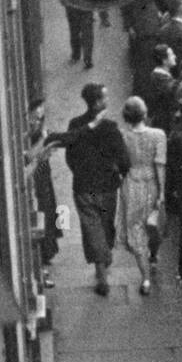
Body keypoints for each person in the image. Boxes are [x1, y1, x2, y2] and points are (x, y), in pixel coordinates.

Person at [54, 82, 131, 295]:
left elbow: (70, 156)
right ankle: (103, 265)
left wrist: (79, 171)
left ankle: (100, 265)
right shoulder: (110, 128)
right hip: (107, 187)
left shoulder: (74, 124)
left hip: (83, 186)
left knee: (91, 228)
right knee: (106, 225)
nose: (107, 100)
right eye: (104, 98)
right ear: (97, 102)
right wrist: (120, 172)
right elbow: (124, 158)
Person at [118, 96, 167, 295]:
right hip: (151, 182)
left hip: (130, 183)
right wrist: (162, 190)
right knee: (153, 223)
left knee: (135, 228)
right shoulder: (158, 134)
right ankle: (153, 254)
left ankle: (145, 278)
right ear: (145, 114)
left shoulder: (121, 135)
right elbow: (160, 164)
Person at [25, 97, 62, 289]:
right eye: (35, 117)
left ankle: (46, 254)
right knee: (41, 212)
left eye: (40, 117)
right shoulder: (29, 134)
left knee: (47, 211)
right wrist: (43, 143)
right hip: (35, 177)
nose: (37, 122)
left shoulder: (36, 130)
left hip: (42, 174)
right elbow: (29, 156)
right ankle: (42, 261)